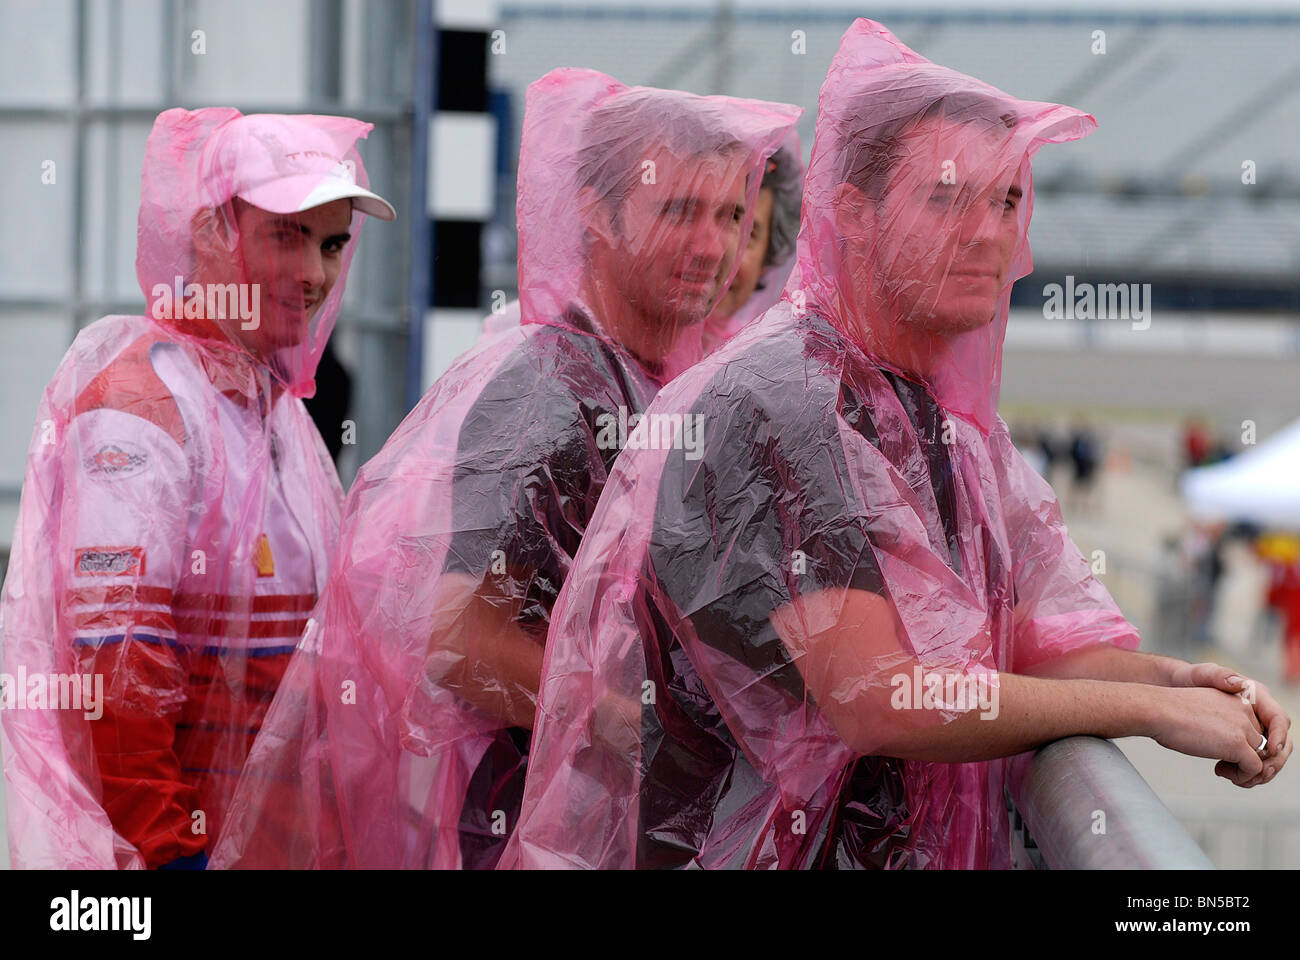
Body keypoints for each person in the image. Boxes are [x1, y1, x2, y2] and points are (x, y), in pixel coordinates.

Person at [505, 19, 1292, 870]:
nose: (989, 234)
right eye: (948, 198)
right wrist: (1146, 714)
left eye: (1007, 201)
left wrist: (1184, 684)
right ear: (854, 213)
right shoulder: (785, 401)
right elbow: (878, 695)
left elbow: (1023, 646)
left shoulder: (936, 422)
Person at [211, 70, 801, 869]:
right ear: (595, 211)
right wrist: (645, 729)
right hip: (542, 832)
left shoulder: (654, 385)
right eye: (678, 210)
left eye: (731, 215)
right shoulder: (556, 394)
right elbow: (459, 639)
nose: (714, 248)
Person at [0, 109, 394, 869]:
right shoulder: (142, 409)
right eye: (287, 235)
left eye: (332, 243)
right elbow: (115, 669)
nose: (314, 273)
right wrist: (169, 856)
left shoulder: (277, 415)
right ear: (213, 232)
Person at [479, 136, 803, 356]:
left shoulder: (751, 368)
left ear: (769, 259)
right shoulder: (534, 343)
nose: (712, 250)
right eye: (682, 214)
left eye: (736, 223)